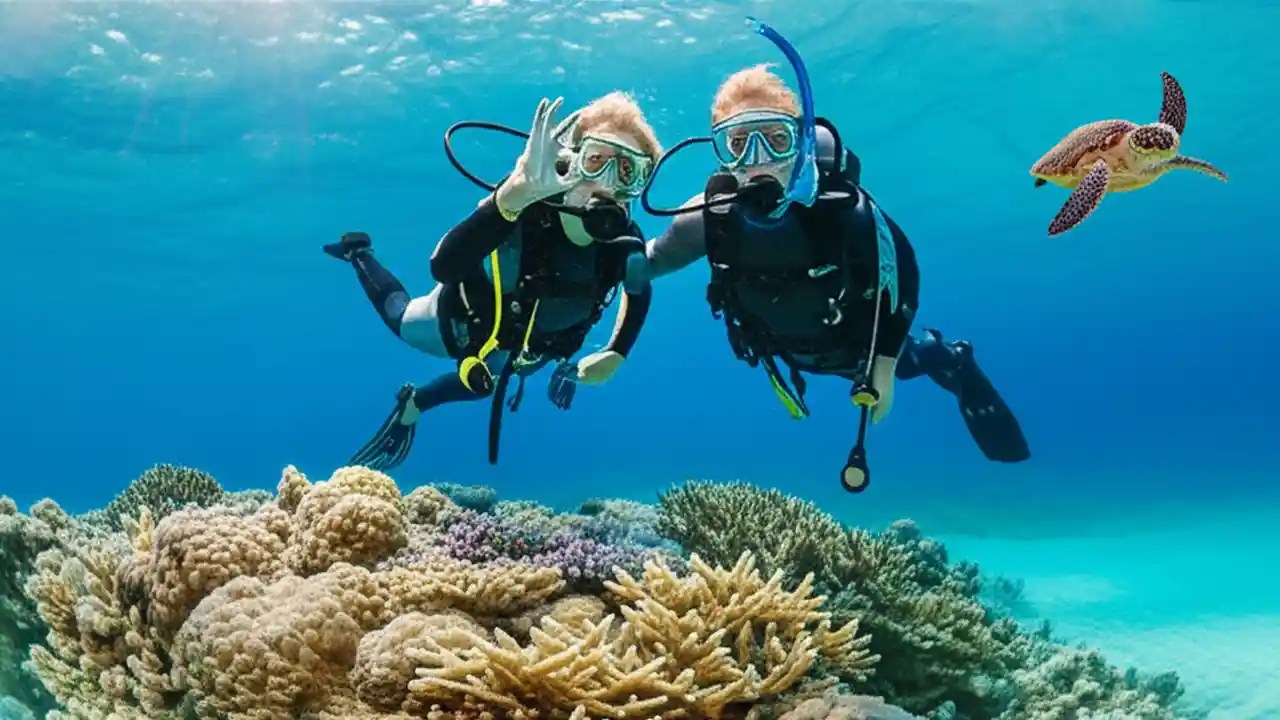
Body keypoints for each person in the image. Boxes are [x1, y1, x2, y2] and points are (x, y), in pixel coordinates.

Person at [642, 63, 1029, 491]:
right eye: (738, 144)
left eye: (774, 139)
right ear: (721, 154)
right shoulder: (706, 218)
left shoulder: (842, 208)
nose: (757, 161)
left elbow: (903, 274)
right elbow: (650, 262)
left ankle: (952, 357)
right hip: (787, 348)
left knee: (909, 363)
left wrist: (882, 365)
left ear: (801, 143)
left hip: (858, 347)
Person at [325, 92, 660, 470]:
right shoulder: (523, 206)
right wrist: (510, 199)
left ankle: (415, 403)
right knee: (400, 320)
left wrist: (617, 350)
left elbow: (638, 290)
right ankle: (359, 253)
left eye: (629, 171)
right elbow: (444, 266)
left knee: (489, 378)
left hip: (532, 349)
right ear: (569, 162)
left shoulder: (623, 243)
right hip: (459, 325)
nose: (609, 184)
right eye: (597, 161)